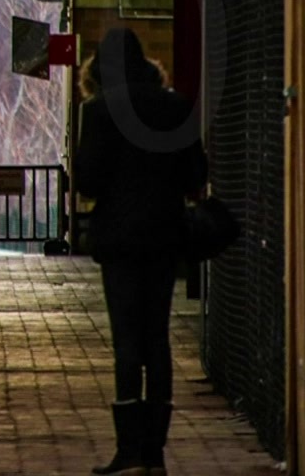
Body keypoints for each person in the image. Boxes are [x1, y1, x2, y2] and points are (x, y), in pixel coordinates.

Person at [74, 28, 208, 476]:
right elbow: (195, 175)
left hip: (120, 243)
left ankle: (128, 449)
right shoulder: (174, 106)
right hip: (166, 238)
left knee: (127, 342)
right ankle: (156, 453)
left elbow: (88, 181)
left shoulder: (97, 111)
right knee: (157, 339)